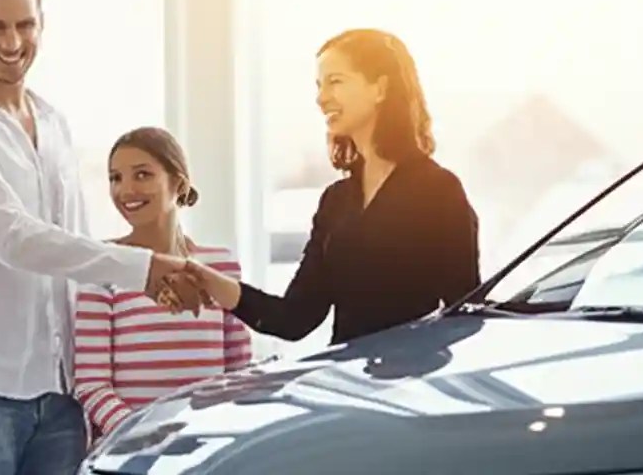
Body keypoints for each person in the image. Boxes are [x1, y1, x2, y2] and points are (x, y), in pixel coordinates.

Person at [0, 0, 203, 474]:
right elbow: (13, 238)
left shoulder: (53, 121)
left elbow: (74, 237)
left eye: (25, 24)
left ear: (42, 24)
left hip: (62, 390)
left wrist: (159, 272)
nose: (13, 42)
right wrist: (144, 269)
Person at [185, 28, 482, 345]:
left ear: (380, 88)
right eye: (319, 85)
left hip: (408, 388)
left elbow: (465, 315)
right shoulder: (336, 200)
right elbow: (294, 318)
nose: (321, 97)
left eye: (335, 81)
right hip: (343, 386)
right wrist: (207, 280)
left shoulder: (438, 190)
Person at [74, 127, 252, 440]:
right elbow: (91, 384)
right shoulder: (104, 266)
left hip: (206, 444)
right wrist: (146, 434)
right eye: (115, 178)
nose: (125, 189)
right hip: (131, 449)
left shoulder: (220, 266)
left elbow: (239, 369)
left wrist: (215, 429)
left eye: (142, 175)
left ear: (178, 184)